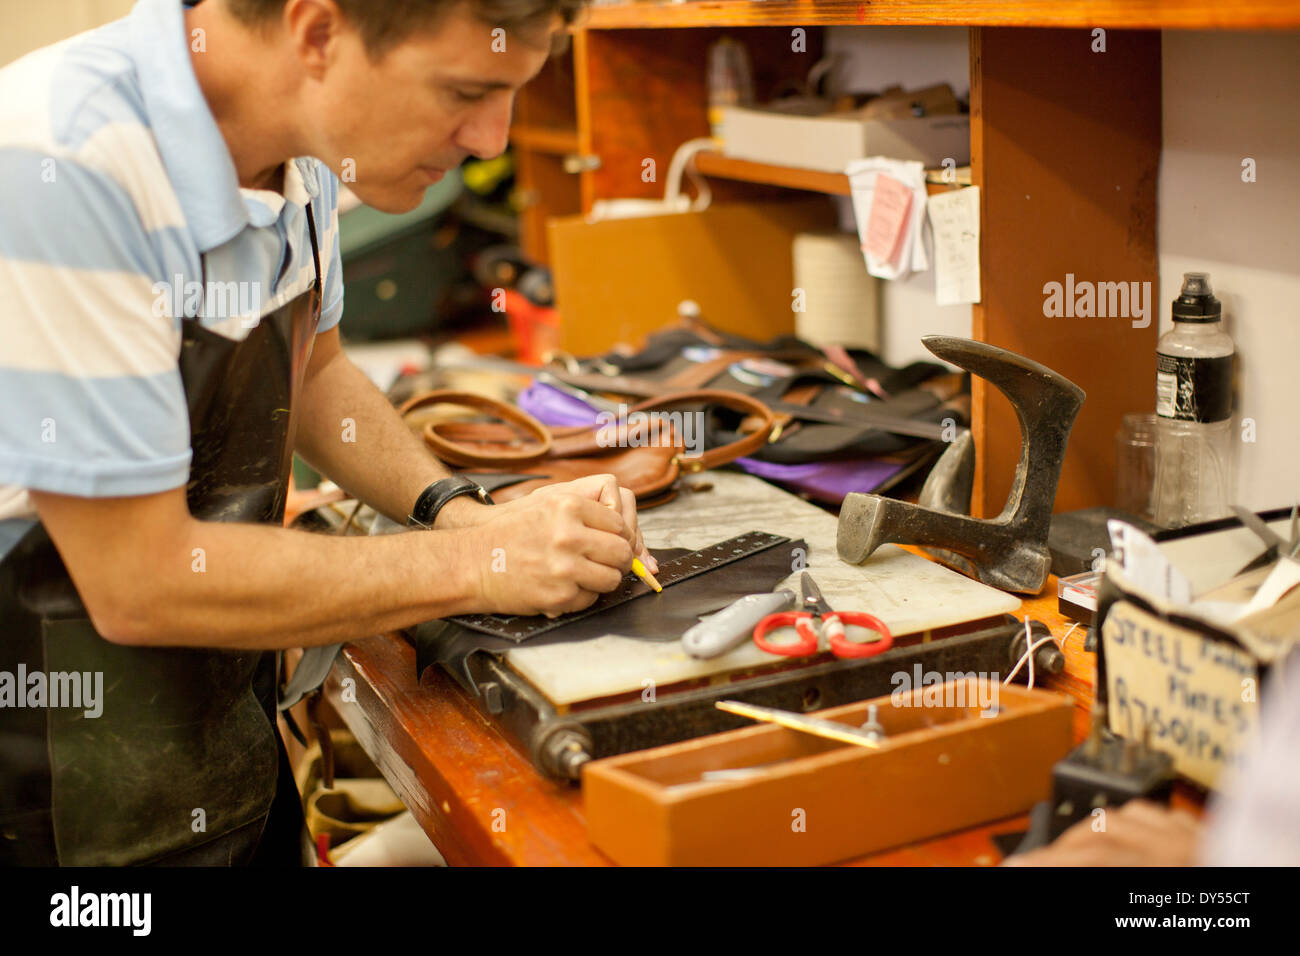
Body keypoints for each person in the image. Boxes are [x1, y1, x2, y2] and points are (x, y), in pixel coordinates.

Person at [0, 0, 638, 866]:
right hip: (49, 790)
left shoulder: (301, 149)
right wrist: (483, 565)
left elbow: (317, 375)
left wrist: (457, 511)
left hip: (215, 738)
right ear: (318, 33)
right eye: (466, 90)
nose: (494, 140)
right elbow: (139, 580)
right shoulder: (61, 161)